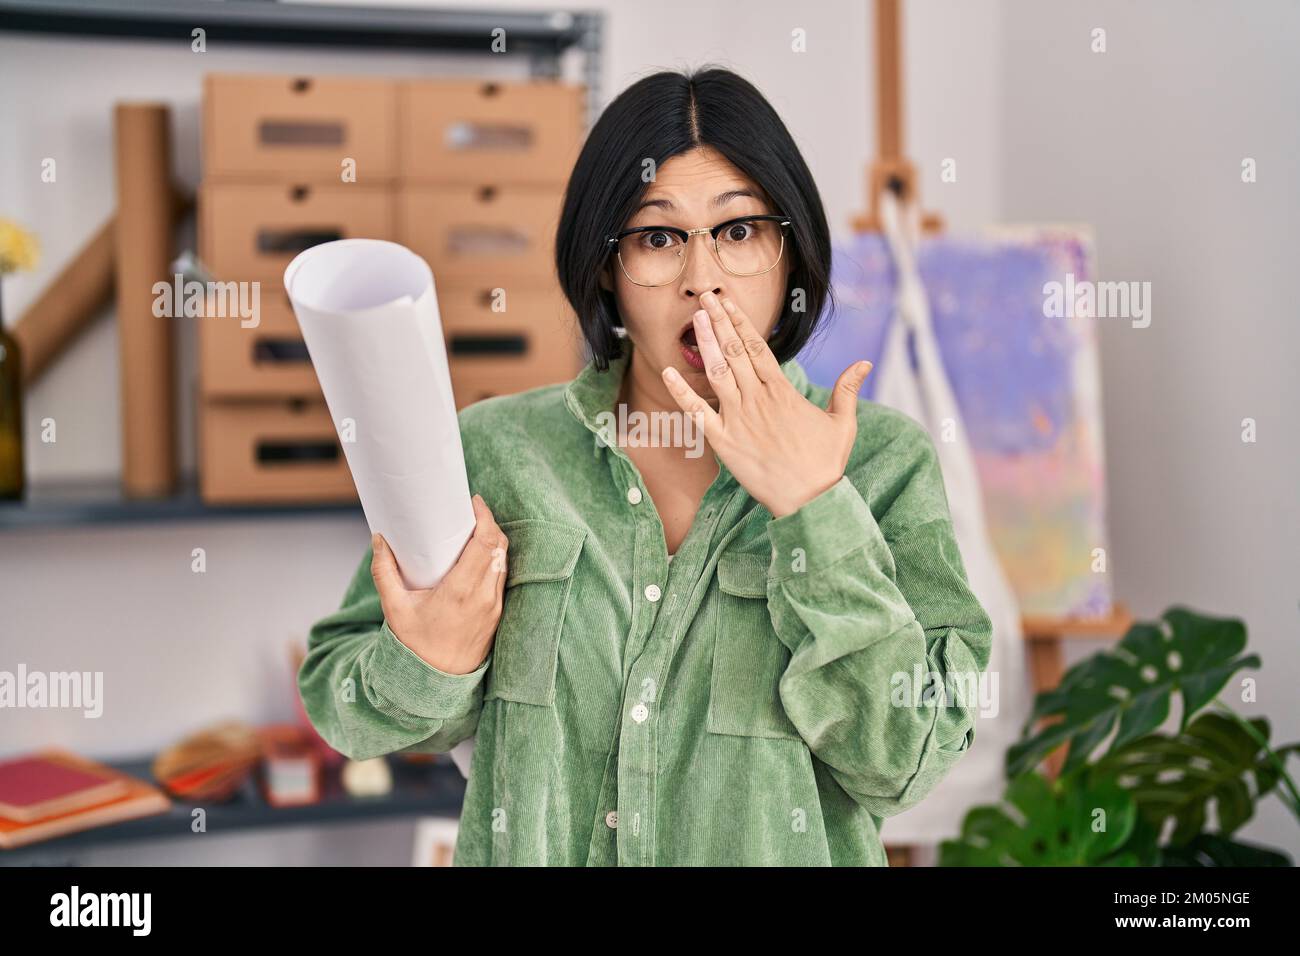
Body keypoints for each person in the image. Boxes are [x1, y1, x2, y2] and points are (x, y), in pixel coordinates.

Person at [297, 65, 992, 866]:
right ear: (605, 268)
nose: (704, 281)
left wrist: (815, 506)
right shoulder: (497, 450)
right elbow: (345, 708)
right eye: (657, 238)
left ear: (791, 255)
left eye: (738, 232)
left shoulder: (881, 463)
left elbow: (905, 764)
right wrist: (429, 661)